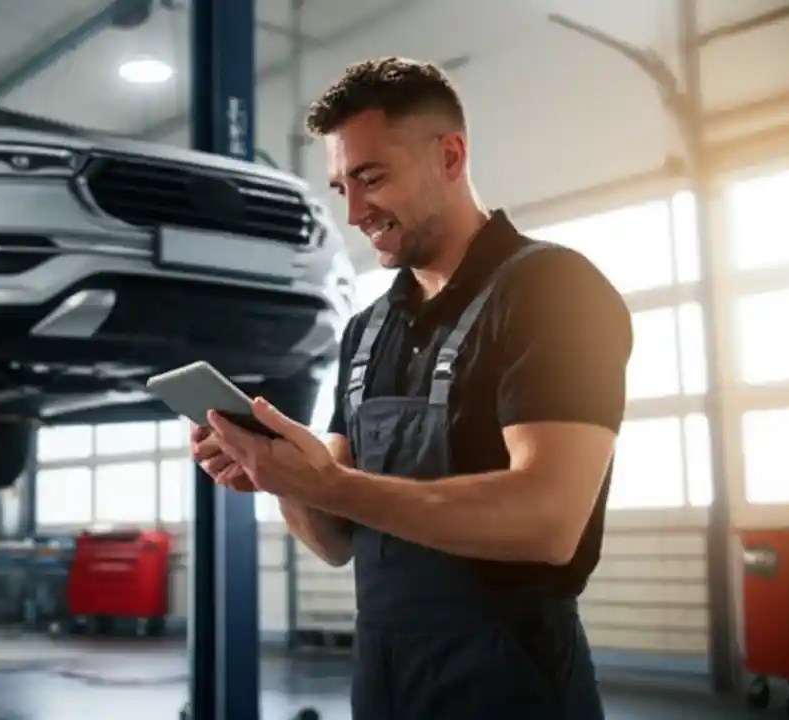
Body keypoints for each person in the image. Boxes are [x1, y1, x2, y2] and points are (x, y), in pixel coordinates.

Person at [191, 57, 633, 718]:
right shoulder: (366, 331)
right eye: (342, 187)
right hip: (386, 678)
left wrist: (328, 483)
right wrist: (282, 475)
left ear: (450, 156)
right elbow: (336, 540)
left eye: (372, 178)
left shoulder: (552, 290)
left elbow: (548, 519)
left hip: (513, 684)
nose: (356, 211)